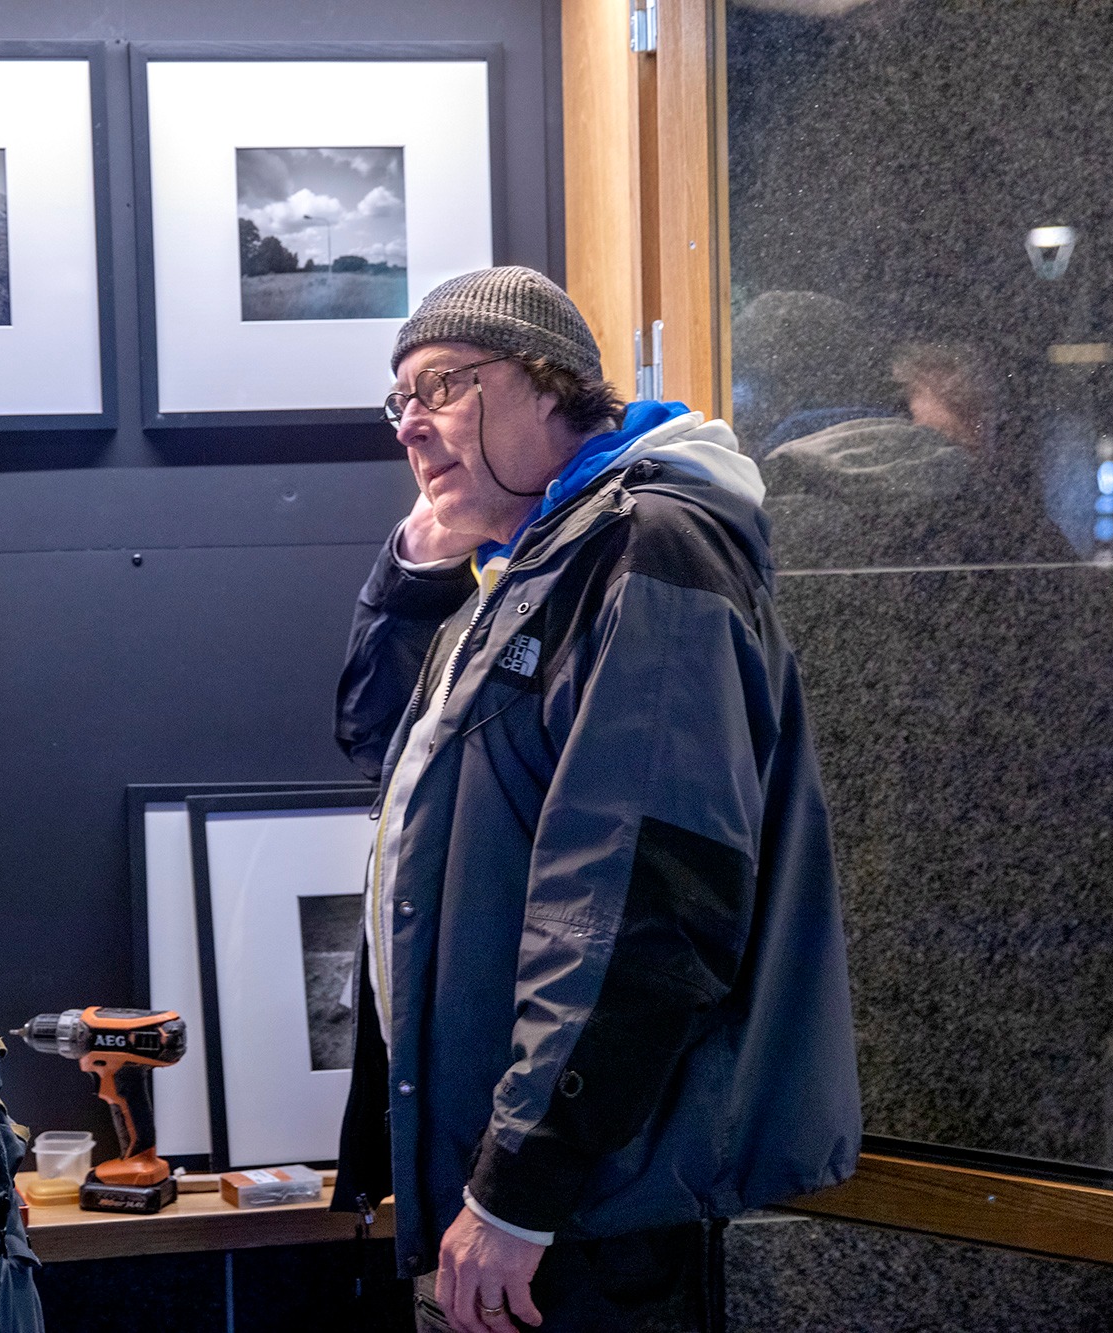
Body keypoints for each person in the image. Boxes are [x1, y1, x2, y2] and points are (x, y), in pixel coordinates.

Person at [331, 267, 861, 1333]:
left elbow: (639, 901)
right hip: (516, 1191)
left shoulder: (647, 544)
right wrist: (420, 566)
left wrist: (519, 1191)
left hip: (584, 1213)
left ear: (546, 383)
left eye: (441, 387)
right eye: (400, 403)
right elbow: (371, 738)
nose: (411, 427)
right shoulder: (537, 558)